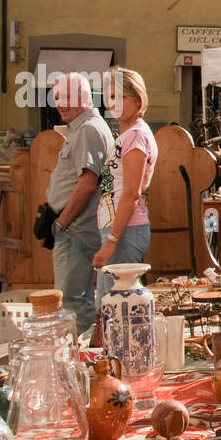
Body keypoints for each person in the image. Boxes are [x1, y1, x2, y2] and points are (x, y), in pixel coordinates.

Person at [46, 72, 115, 333]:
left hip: (75, 229)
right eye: (56, 98)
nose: (60, 104)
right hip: (75, 228)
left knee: (73, 302)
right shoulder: (84, 127)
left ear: (85, 97)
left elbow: (88, 182)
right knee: (75, 299)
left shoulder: (87, 129)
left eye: (66, 97)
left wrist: (62, 222)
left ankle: (84, 363)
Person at [93, 68, 158, 306]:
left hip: (125, 230)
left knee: (115, 309)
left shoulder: (135, 137)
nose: (113, 104)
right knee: (111, 307)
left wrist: (111, 240)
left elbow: (131, 193)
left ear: (138, 100)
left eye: (120, 97)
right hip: (121, 229)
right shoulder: (129, 135)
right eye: (110, 97)